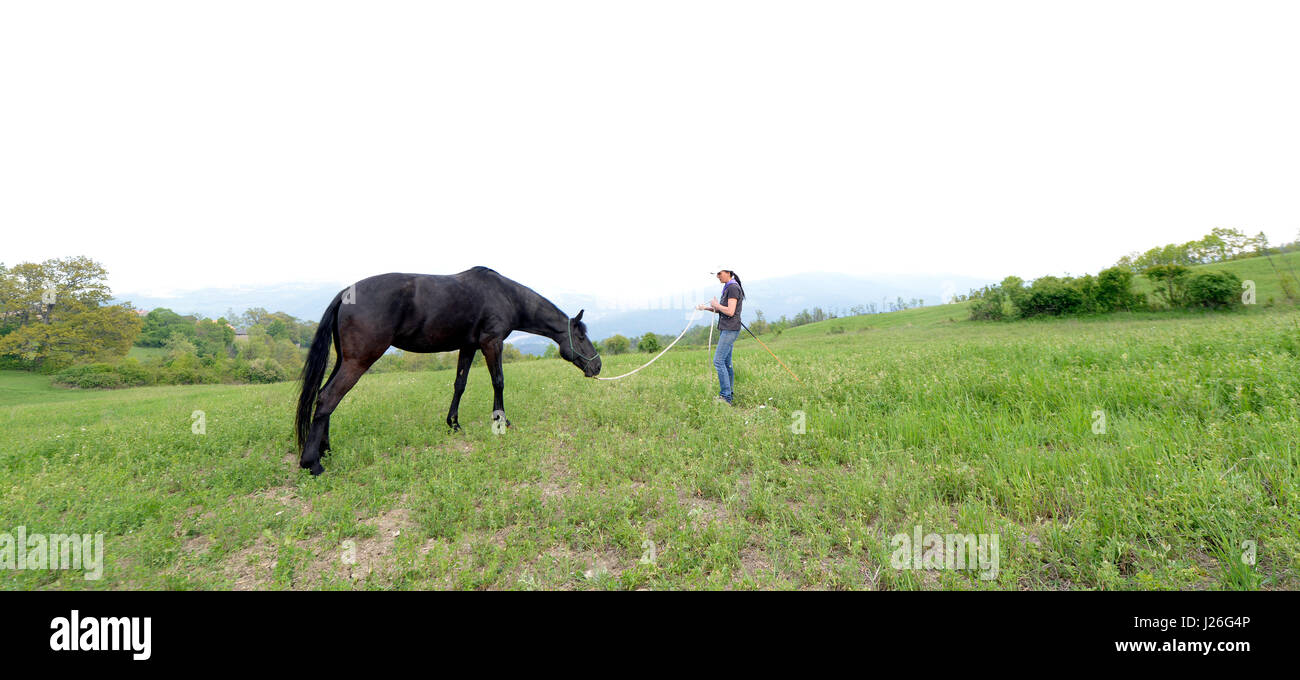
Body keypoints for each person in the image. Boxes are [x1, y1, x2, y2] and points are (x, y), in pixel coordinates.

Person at [696, 268, 744, 405]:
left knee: (718, 361)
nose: (717, 276)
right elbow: (722, 310)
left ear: (728, 272)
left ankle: (725, 397)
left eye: (719, 273)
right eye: (716, 274)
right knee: (726, 363)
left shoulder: (733, 288)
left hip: (730, 330)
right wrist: (706, 308)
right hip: (727, 329)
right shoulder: (728, 287)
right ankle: (729, 394)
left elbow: (729, 311)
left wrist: (716, 305)